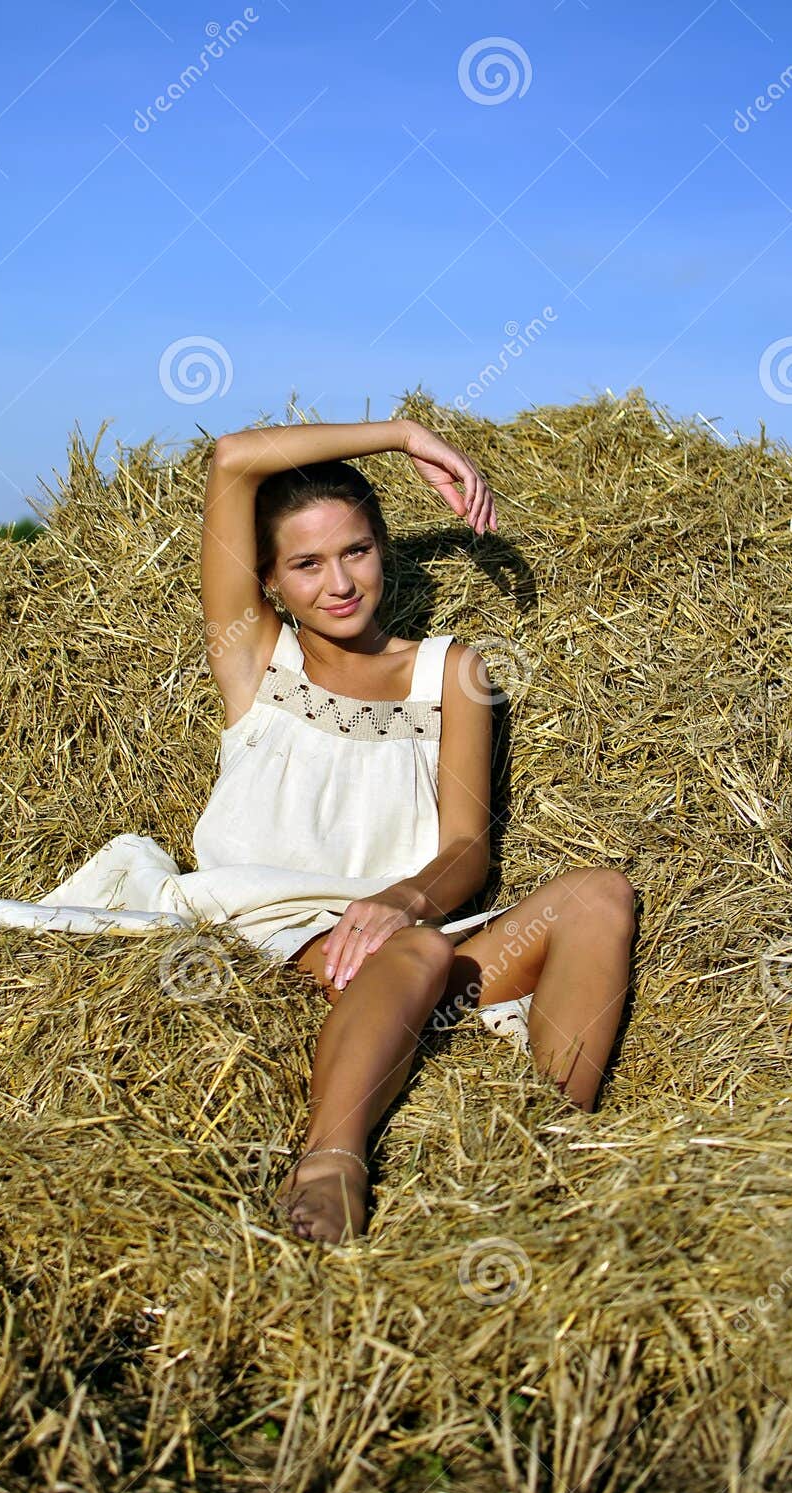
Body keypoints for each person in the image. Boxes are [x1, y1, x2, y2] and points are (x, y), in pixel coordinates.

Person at [198, 417, 636, 1246]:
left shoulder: (450, 670)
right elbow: (232, 458)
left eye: (356, 551)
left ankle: (539, 1154)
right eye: (306, 563)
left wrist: (403, 898)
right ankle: (329, 1166)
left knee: (598, 896)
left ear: (382, 549)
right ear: (269, 580)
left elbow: (467, 847)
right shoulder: (254, 657)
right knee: (418, 953)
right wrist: (403, 436)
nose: (338, 582)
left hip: (411, 949)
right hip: (283, 941)